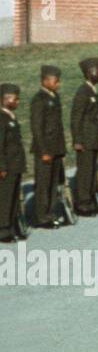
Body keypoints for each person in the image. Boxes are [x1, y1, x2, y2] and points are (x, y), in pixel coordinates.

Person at [31, 65, 67, 228]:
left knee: (53, 184)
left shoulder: (55, 97)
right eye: (55, 81)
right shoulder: (39, 100)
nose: (58, 84)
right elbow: (37, 128)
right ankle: (41, 217)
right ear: (45, 80)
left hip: (56, 148)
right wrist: (44, 150)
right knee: (43, 184)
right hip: (45, 149)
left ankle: (51, 213)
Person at [70, 57, 98, 217]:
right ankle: (82, 203)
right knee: (85, 172)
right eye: (97, 70)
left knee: (91, 170)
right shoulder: (83, 92)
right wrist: (77, 140)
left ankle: (90, 200)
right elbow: (76, 117)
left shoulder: (92, 90)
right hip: (85, 140)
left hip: (93, 138)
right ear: (89, 73)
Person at [0, 84, 26, 242]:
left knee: (14, 197)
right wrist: (1, 166)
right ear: (5, 99)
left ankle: (12, 226)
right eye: (15, 98)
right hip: (7, 167)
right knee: (5, 198)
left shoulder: (11, 116)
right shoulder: (1, 118)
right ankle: (3, 230)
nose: (18, 101)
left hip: (16, 164)